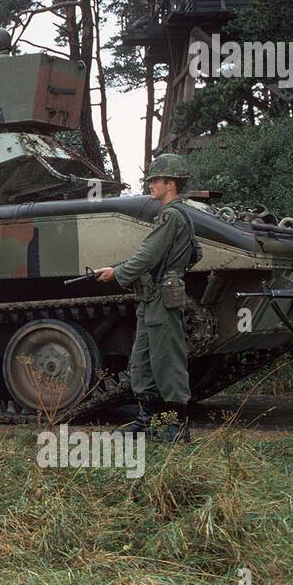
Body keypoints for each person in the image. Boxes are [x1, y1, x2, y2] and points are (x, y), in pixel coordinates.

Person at [95, 154, 198, 442]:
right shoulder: (179, 216)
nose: (151, 185)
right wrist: (120, 270)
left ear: (171, 183)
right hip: (153, 296)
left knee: (167, 361)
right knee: (142, 361)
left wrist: (118, 273)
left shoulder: (171, 216)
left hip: (161, 297)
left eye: (155, 180)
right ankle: (146, 420)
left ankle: (177, 426)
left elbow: (147, 255)